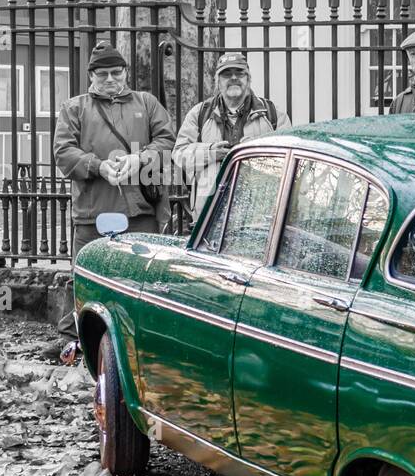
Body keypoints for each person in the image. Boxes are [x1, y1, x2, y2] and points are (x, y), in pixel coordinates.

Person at [53, 41, 175, 350]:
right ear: (91, 75)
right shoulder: (74, 108)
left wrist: (140, 159)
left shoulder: (146, 103)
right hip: (92, 213)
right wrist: (97, 167)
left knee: (141, 280)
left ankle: (141, 341)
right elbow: (63, 152)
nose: (110, 79)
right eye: (103, 74)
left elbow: (167, 141)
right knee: (83, 276)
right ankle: (75, 341)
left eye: (116, 73)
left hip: (139, 211)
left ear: (126, 73)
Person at [173, 52, 290, 221]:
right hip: (210, 217)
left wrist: (257, 150)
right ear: (217, 81)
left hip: (259, 217)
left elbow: (288, 157)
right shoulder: (200, 113)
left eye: (239, 73)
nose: (234, 78)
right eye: (227, 74)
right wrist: (210, 152)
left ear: (248, 79)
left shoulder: (272, 114)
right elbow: (179, 154)